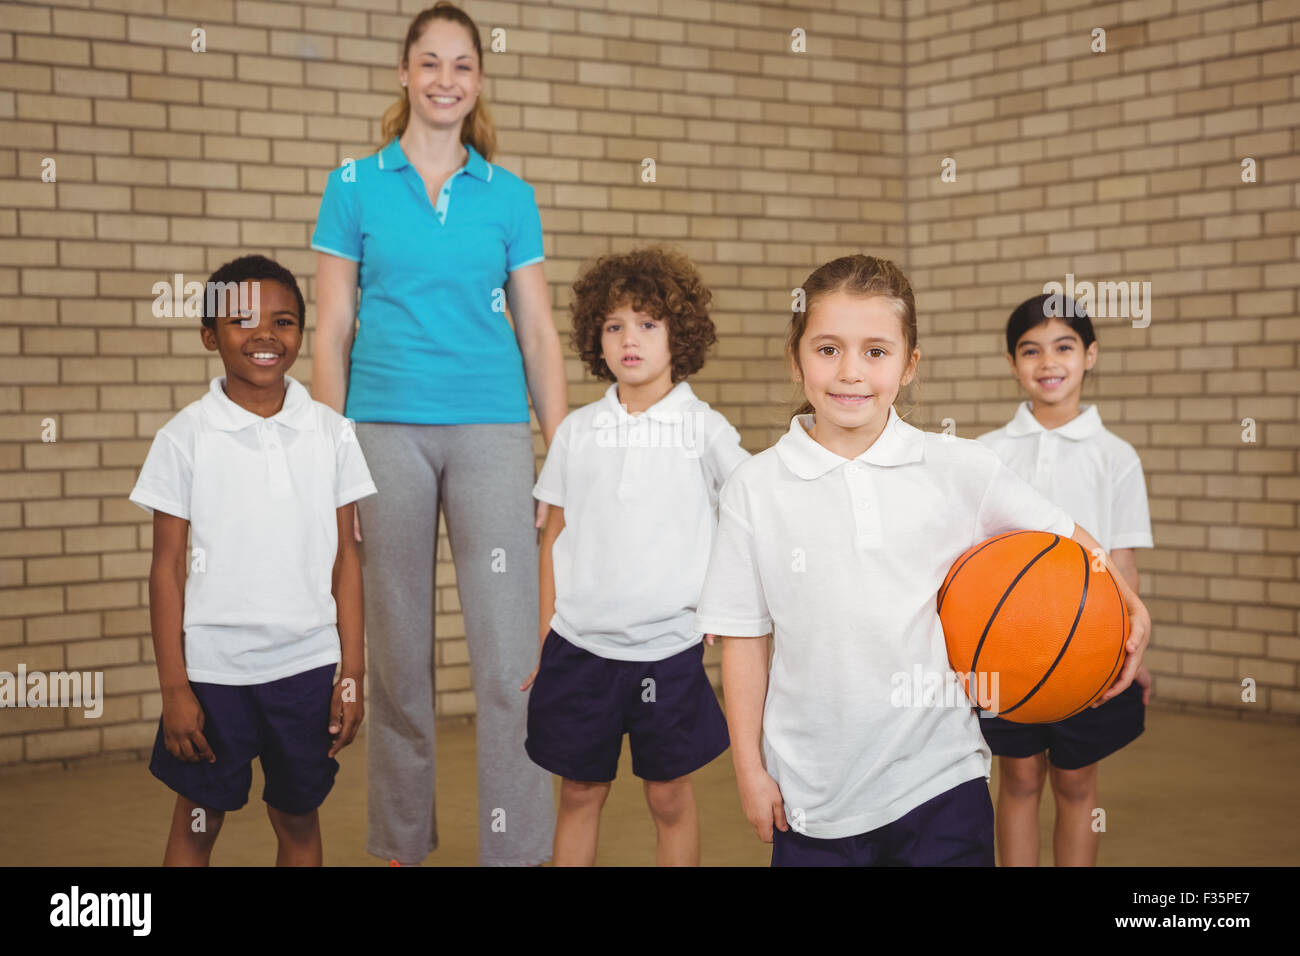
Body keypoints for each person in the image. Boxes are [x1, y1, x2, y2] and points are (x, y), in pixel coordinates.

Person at [694, 255, 1151, 866]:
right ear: (795, 356)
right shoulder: (754, 487)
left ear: (909, 364)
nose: (851, 372)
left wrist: (1128, 600)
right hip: (812, 795)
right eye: (828, 349)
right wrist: (749, 770)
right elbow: (745, 641)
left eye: (876, 352)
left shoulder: (960, 468)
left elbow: (1068, 536)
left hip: (941, 782)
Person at [310, 2, 565, 866]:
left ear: (478, 81)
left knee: (509, 665)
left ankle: (516, 852)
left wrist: (561, 453)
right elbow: (331, 328)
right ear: (404, 73)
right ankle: (400, 848)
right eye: (430, 62)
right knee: (399, 667)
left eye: (462, 65)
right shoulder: (352, 186)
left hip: (493, 433)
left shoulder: (511, 196)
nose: (445, 79)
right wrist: (327, 456)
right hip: (382, 435)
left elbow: (536, 333)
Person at [129, 255, 374, 866]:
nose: (265, 335)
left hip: (308, 670)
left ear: (300, 332)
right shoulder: (183, 438)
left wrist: (352, 673)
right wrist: (175, 687)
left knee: (297, 819)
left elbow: (347, 558)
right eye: (242, 320)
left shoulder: (332, 433)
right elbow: (166, 569)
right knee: (197, 823)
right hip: (214, 676)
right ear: (210, 335)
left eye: (284, 321)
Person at [523, 246, 749, 865]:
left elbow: (750, 522)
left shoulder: (706, 430)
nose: (631, 340)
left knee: (669, 799)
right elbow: (554, 535)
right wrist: (545, 637)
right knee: (578, 794)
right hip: (578, 650)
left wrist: (723, 613)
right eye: (614, 325)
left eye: (649, 324)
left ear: (681, 334)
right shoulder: (576, 431)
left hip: (667, 651)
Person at [975, 292, 1154, 866]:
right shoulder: (986, 454)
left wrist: (1134, 644)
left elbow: (1122, 560)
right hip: (1009, 649)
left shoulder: (1115, 456)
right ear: (1012, 364)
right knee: (1019, 781)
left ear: (1090, 355)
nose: (1047, 362)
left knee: (1076, 786)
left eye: (1064, 347)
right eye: (1030, 350)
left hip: (1091, 648)